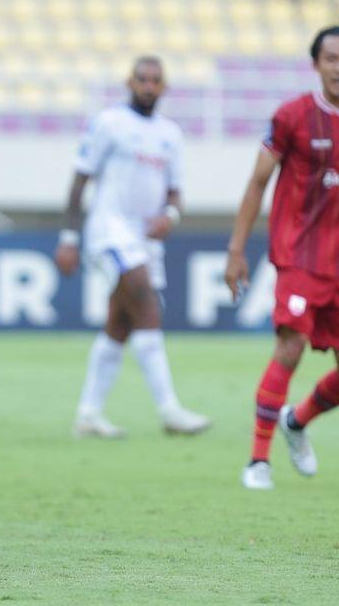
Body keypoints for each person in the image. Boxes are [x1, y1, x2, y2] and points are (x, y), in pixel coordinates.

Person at [226, 26, 339, 491]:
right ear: (316, 64)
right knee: (290, 347)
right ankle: (257, 462)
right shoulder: (292, 117)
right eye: (331, 58)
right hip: (298, 258)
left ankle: (297, 422)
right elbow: (257, 182)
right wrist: (236, 249)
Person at [55, 57, 211, 439]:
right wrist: (69, 239)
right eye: (142, 79)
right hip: (109, 232)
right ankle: (169, 409)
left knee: (119, 324)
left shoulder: (170, 135)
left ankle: (88, 415)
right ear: (130, 82)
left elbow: (176, 192)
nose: (148, 86)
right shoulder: (109, 123)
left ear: (164, 87)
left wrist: (170, 217)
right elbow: (79, 182)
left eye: (155, 80)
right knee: (144, 301)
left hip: (146, 240)